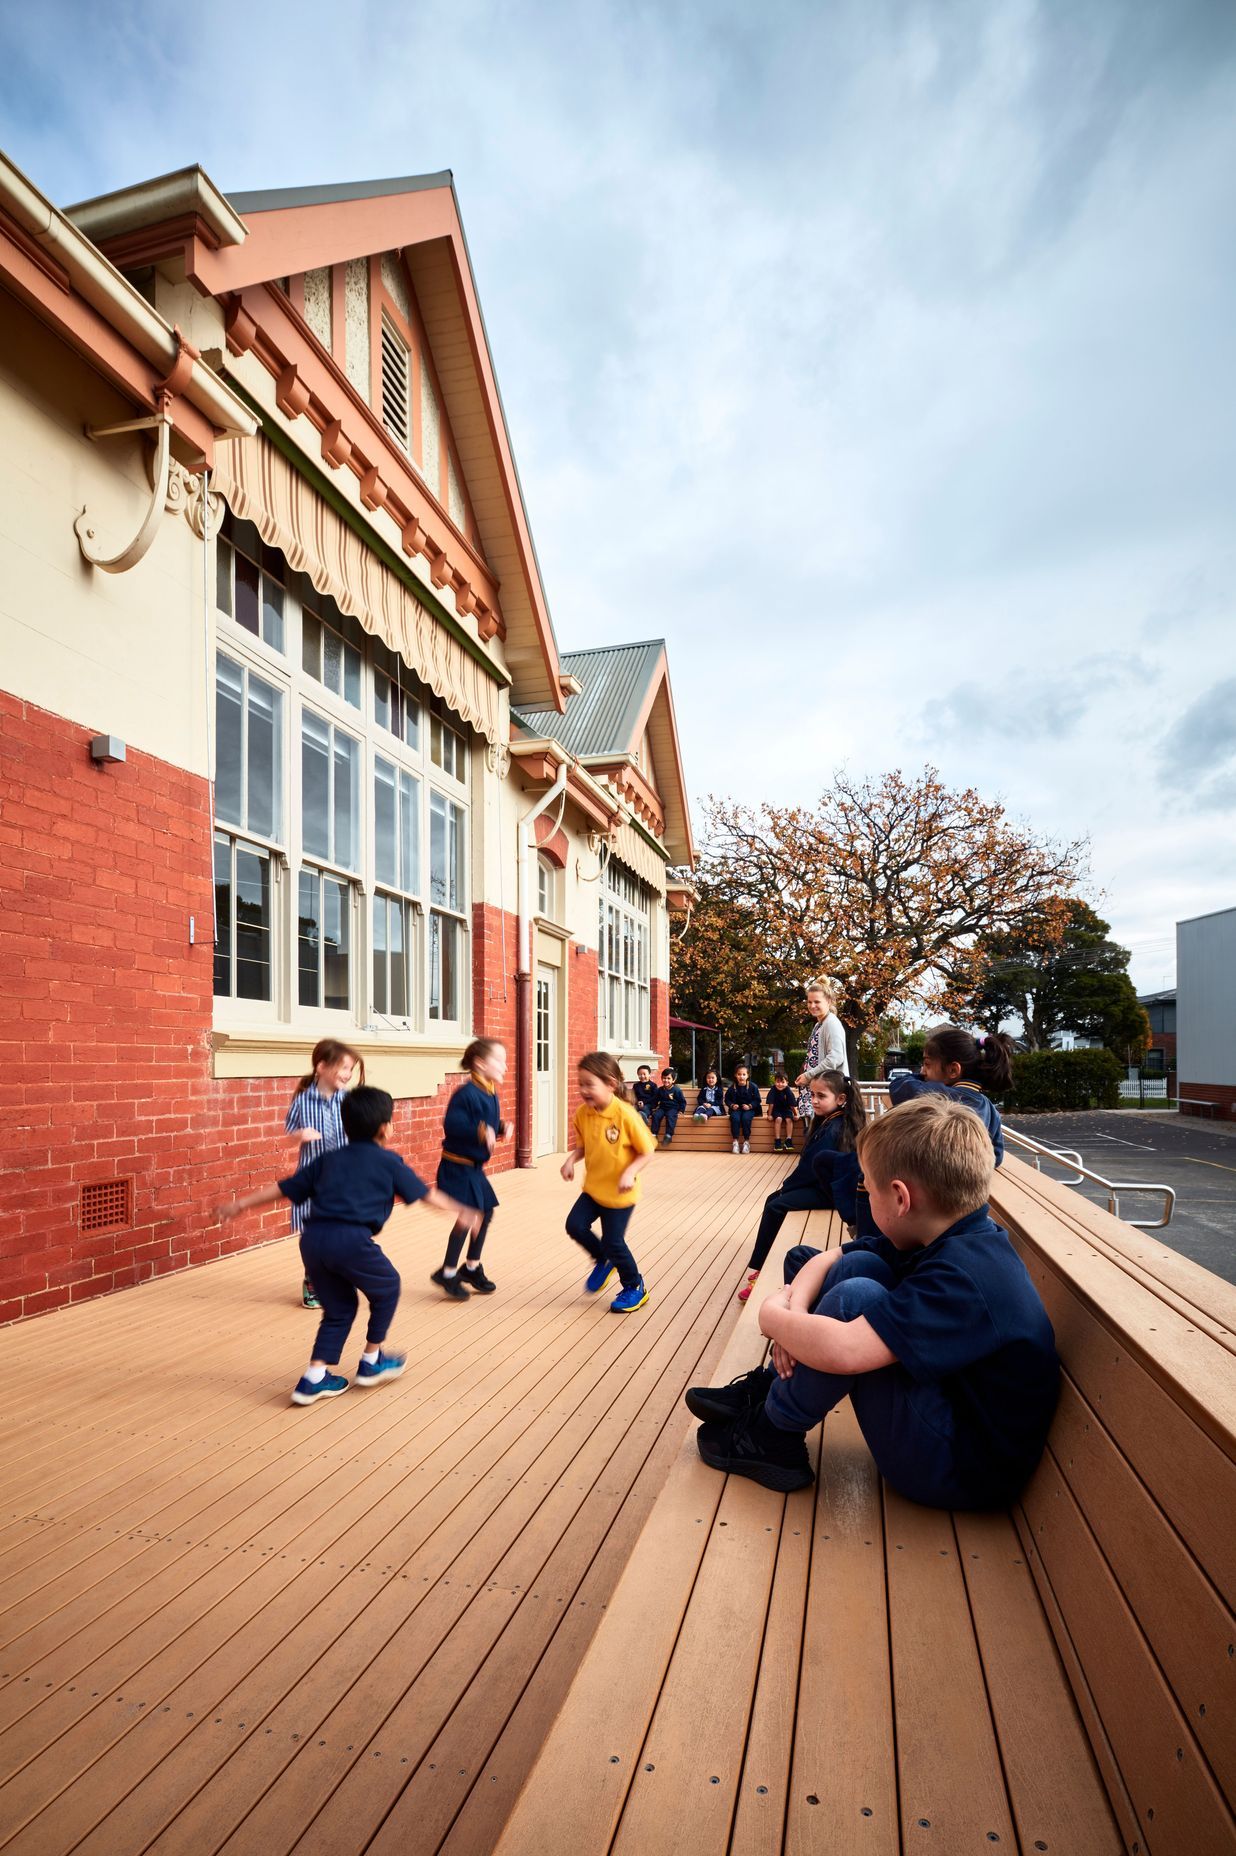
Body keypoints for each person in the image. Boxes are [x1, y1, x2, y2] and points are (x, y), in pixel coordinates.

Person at [686, 1096, 1060, 1506]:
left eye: (864, 1186)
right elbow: (836, 1257)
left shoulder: (964, 1278)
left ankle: (771, 1436)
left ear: (901, 1198)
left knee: (856, 1297)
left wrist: (774, 1318)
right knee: (858, 1265)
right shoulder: (951, 1234)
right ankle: (772, 1393)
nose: (861, 1194)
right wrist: (796, 1315)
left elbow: (844, 1350)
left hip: (957, 1468)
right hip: (946, 1413)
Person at [218, 1086, 481, 1405]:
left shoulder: (327, 1160)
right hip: (350, 1241)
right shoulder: (388, 1161)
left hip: (312, 1241)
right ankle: (372, 1360)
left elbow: (283, 1188)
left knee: (340, 1308)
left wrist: (240, 1204)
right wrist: (463, 1210)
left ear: (346, 1125)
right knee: (388, 1286)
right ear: (385, 1128)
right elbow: (427, 1195)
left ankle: (314, 1378)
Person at [735, 1071, 864, 1301]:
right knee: (774, 1200)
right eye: (812, 1094)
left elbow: (809, 1170)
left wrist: (788, 1187)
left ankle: (760, 1270)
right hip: (826, 1186)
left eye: (821, 1096)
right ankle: (761, 1265)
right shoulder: (831, 1120)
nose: (814, 1100)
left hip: (830, 1192)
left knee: (776, 1205)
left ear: (841, 1099)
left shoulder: (834, 1127)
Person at [561, 1051, 655, 1312]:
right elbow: (583, 1147)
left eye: (589, 1084)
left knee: (614, 1242)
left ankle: (635, 1286)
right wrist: (570, 1160)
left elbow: (647, 1150)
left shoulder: (625, 1115)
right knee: (575, 1225)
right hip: (594, 1189)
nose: (583, 1090)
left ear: (611, 1084)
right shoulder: (583, 1114)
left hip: (620, 1193)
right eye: (580, 1083)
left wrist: (629, 1172)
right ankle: (603, 1259)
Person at [284, 1040, 365, 1310]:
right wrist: (300, 1135)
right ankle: (313, 1281)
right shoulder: (302, 1101)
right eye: (343, 1068)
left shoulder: (349, 1101)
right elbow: (288, 1136)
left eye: (350, 1069)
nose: (347, 1074)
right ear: (321, 1067)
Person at [430, 1038, 513, 1300]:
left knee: (485, 1212)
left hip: (473, 1168)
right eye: (499, 1061)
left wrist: (499, 1127)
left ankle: (471, 1267)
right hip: (456, 1166)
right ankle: (448, 1272)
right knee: (468, 1217)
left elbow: (484, 1121)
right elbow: (453, 1124)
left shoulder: (489, 1091)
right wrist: (481, 1130)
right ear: (480, 1063)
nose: (505, 1066)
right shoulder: (466, 1093)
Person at [888, 1025, 1014, 1163]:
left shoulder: (939, 1096)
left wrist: (917, 1076)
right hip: (968, 1178)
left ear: (953, 1070)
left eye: (927, 1064)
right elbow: (997, 1155)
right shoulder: (989, 1106)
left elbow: (899, 1086)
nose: (923, 1072)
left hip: (934, 1177)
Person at [795, 980, 848, 1123]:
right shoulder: (820, 1024)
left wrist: (809, 1075)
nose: (812, 1006)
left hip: (828, 1094)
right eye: (809, 1002)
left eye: (817, 1002)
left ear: (829, 1001)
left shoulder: (831, 1023)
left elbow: (836, 1057)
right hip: (820, 1093)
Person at [725, 1064, 762, 1154]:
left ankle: (746, 1142)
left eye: (744, 1074)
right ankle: (735, 1142)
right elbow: (727, 1099)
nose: (741, 1076)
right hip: (736, 1110)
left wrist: (750, 1106)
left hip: (749, 1109)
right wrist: (732, 1105)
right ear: (735, 1075)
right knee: (735, 1118)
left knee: (745, 1119)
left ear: (748, 1075)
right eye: (739, 1074)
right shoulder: (732, 1087)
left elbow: (757, 1100)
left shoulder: (753, 1087)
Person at [650, 1068, 686, 1144]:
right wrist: (653, 1108)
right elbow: (655, 1100)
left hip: (673, 1108)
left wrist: (681, 1111)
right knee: (656, 1115)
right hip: (662, 1108)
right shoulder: (660, 1090)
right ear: (661, 1079)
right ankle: (654, 1134)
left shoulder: (676, 1090)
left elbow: (682, 1101)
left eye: (668, 1078)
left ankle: (668, 1135)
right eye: (664, 1078)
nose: (666, 1080)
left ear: (673, 1080)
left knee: (670, 1116)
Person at [765, 1069, 798, 1152]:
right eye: (778, 1082)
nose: (780, 1084)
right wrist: (769, 1115)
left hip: (786, 1109)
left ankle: (788, 1140)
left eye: (782, 1082)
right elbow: (771, 1103)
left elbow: (791, 1104)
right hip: (776, 1110)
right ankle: (777, 1141)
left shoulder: (788, 1091)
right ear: (774, 1082)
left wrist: (795, 1114)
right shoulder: (773, 1090)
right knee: (778, 1119)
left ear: (787, 1083)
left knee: (789, 1119)